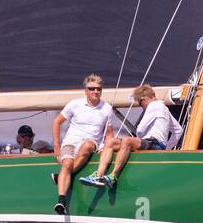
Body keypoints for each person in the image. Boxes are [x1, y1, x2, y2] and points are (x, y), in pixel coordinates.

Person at [94, 85, 182, 190]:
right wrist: (167, 148)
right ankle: (98, 176)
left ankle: (112, 175)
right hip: (157, 145)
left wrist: (136, 141)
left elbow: (140, 129)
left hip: (153, 143)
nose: (142, 107)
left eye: (140, 104)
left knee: (126, 141)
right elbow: (178, 130)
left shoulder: (153, 105)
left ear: (143, 99)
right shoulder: (164, 108)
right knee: (111, 142)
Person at [51, 73, 116, 214]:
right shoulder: (75, 104)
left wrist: (105, 147)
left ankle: (62, 176)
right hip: (70, 142)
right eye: (92, 89)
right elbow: (57, 122)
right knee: (67, 163)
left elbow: (109, 133)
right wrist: (56, 146)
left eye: (99, 89)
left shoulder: (107, 109)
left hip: (90, 143)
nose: (96, 91)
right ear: (86, 90)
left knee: (87, 145)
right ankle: (61, 201)